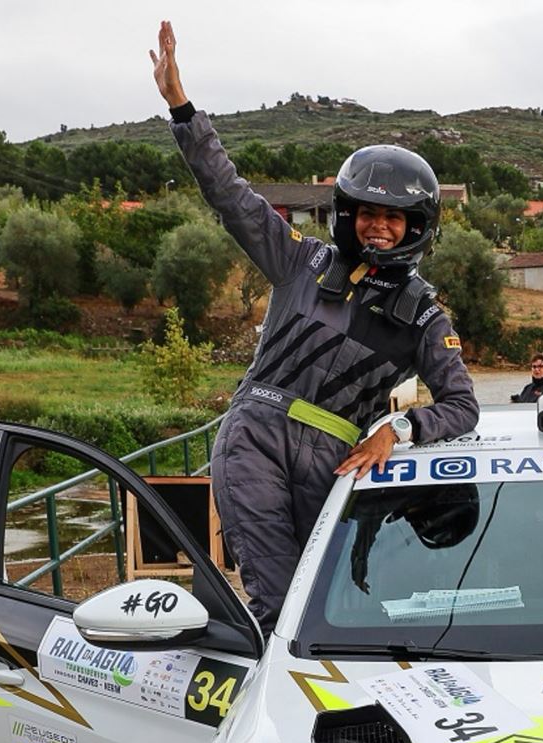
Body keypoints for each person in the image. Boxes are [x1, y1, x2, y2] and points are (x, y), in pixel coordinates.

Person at [150, 21, 480, 633]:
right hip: (255, 437)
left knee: (332, 610)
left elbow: (463, 405)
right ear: (348, 215)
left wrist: (398, 431)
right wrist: (182, 109)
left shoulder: (425, 314)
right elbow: (231, 194)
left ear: (417, 228)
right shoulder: (300, 260)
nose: (380, 228)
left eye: (396, 219)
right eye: (369, 215)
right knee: (280, 603)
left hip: (337, 461)